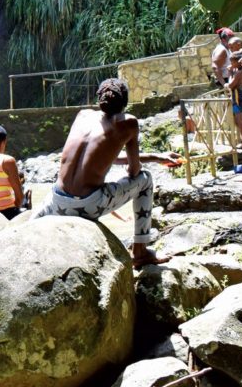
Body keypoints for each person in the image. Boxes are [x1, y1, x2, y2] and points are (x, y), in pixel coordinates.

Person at [32, 78, 175, 268]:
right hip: (89, 205)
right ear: (125, 104)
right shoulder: (128, 123)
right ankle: (140, 251)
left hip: (57, 202)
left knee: (26, 227)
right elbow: (134, 172)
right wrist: (137, 166)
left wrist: (156, 156)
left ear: (99, 98)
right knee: (146, 179)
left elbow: (104, 156)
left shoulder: (82, 115)